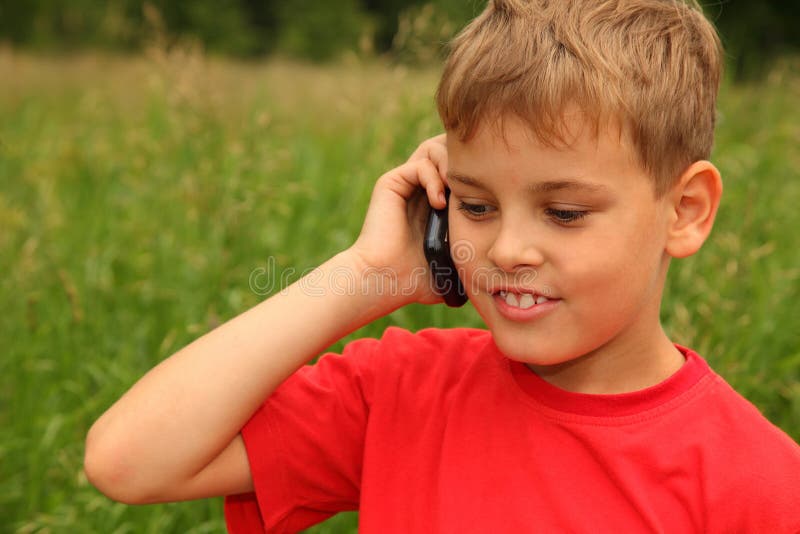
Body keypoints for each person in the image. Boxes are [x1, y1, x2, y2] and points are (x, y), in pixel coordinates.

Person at [84, 0, 800, 532]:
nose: (507, 249)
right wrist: (368, 276)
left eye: (565, 212)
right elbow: (129, 461)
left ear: (686, 210)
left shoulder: (757, 484)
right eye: (476, 205)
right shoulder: (401, 393)